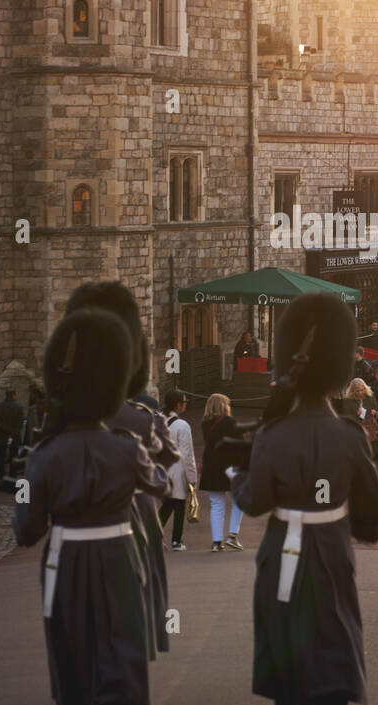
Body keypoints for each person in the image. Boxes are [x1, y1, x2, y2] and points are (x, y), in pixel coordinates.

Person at [229, 291, 378, 705]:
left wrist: (236, 474)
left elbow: (253, 501)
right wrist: (360, 526)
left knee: (286, 644)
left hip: (283, 549)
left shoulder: (274, 435)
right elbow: (370, 512)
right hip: (332, 547)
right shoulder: (349, 436)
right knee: (336, 634)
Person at [15, 306, 168, 705]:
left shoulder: (43, 455)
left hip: (64, 554)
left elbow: (26, 529)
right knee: (118, 637)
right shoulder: (125, 445)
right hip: (120, 550)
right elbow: (161, 484)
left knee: (68, 643)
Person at [65, 281, 180, 659]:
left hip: (76, 521)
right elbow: (164, 467)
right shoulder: (143, 419)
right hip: (133, 513)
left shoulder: (63, 422)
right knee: (140, 584)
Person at [200, 393, 244, 551]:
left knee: (216, 505)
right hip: (230, 467)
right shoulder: (231, 423)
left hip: (212, 468)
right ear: (224, 406)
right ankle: (232, 535)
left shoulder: (205, 424)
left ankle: (216, 542)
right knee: (239, 501)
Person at [159, 388, 197, 551]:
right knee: (179, 505)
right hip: (177, 469)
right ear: (177, 405)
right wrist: (192, 477)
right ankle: (176, 540)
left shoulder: (158, 421)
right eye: (184, 402)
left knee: (167, 504)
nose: (185, 405)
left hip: (161, 468)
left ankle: (155, 536)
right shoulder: (182, 425)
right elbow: (187, 454)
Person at [343, 378, 378, 471]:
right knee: (363, 459)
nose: (360, 393)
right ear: (353, 391)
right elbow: (347, 420)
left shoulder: (370, 397)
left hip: (372, 433)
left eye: (362, 390)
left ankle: (377, 483)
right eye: (357, 391)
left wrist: (375, 413)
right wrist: (357, 415)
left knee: (375, 458)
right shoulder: (348, 401)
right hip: (359, 434)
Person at [0, 389, 25, 484]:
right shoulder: (19, 407)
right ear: (14, 395)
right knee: (13, 456)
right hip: (14, 435)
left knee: (0, 456)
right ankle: (12, 475)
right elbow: (20, 423)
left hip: (3, 434)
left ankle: (2, 475)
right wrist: (13, 433)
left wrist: (6, 431)